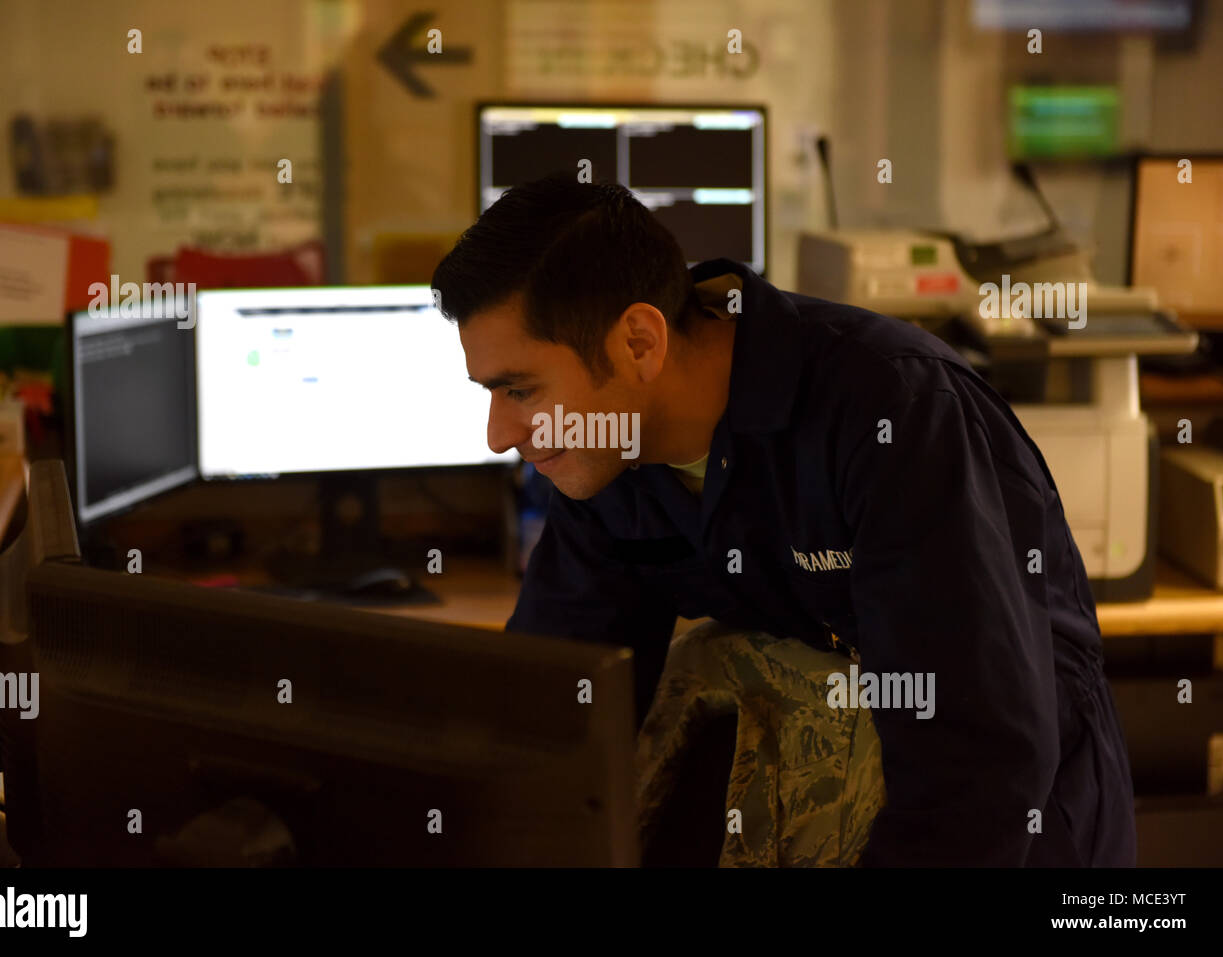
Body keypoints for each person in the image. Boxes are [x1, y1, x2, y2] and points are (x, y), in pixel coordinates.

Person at [430, 172, 1136, 867]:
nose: (499, 433)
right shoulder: (609, 456)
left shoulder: (890, 412)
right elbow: (550, 709)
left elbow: (977, 762)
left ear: (639, 342)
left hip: (1012, 825)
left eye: (519, 388)